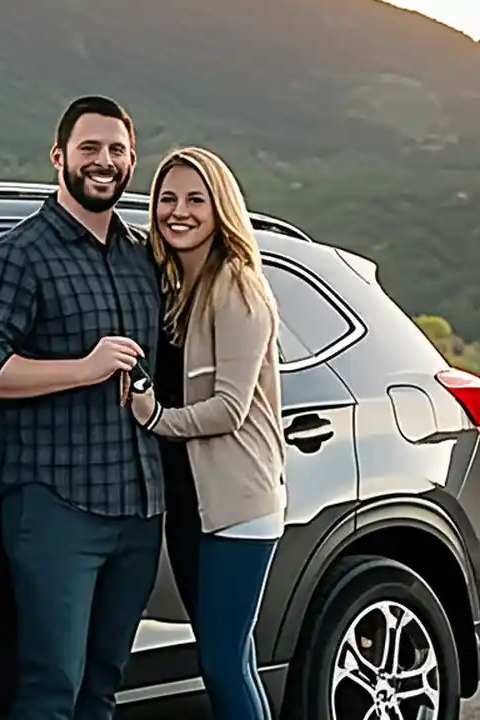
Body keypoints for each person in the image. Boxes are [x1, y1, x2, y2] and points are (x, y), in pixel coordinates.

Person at [0, 95, 165, 720]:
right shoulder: (17, 255)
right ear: (58, 156)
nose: (104, 161)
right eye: (89, 148)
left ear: (131, 161)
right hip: (55, 506)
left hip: (140, 507)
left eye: (117, 150)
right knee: (52, 688)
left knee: (103, 688)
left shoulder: (141, 257)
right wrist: (83, 369)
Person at [123, 146, 286, 720]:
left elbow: (229, 409)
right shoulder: (173, 291)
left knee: (220, 661)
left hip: (237, 505)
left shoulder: (236, 287)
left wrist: (155, 418)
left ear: (221, 209)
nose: (179, 211)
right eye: (167, 199)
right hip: (190, 503)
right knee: (231, 657)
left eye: (196, 199)